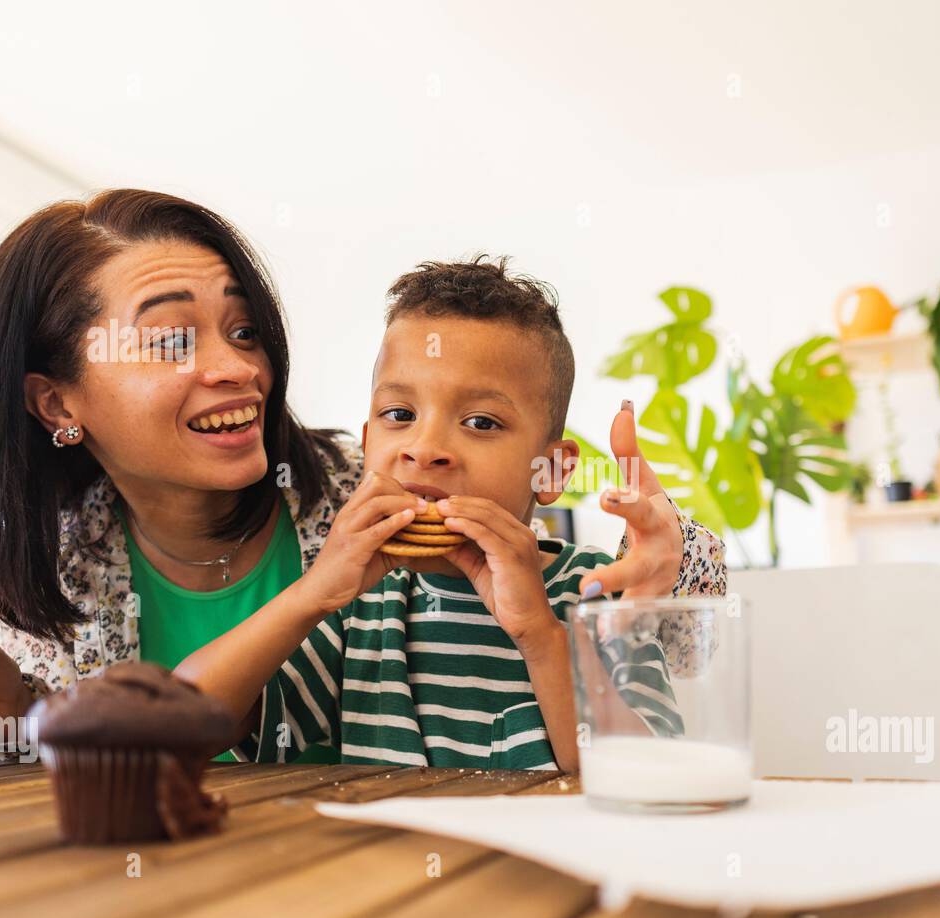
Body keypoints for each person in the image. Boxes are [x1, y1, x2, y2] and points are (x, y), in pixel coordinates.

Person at [0, 191, 725, 759]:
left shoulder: (372, 497)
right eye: (174, 341)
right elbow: (153, 737)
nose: (239, 367)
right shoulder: (51, 562)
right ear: (56, 402)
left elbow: (670, 687)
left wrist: (676, 560)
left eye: (244, 330)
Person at [176, 259, 688, 771]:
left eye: (481, 422)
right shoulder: (363, 611)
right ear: (369, 442)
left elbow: (648, 775)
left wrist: (539, 633)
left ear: (550, 471)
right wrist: (313, 595)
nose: (425, 449)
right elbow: (182, 727)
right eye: (400, 415)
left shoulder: (599, 593)